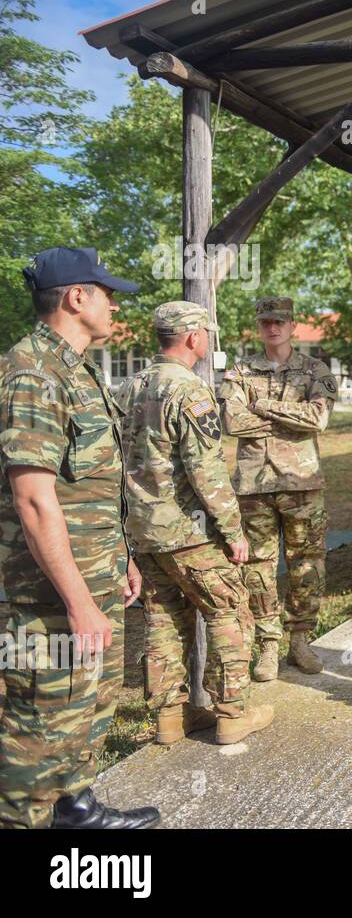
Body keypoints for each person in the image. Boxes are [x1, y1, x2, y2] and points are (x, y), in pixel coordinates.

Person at [0, 247, 158, 829]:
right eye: (107, 292)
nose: (114, 304)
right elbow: (34, 500)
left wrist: (119, 561)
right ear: (76, 297)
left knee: (85, 714)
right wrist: (78, 601)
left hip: (92, 579)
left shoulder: (78, 369)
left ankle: (78, 813)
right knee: (37, 739)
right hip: (45, 601)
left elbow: (86, 485)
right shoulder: (33, 374)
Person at [119, 302, 274, 747]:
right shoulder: (190, 391)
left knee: (163, 618)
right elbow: (206, 471)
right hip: (190, 532)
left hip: (145, 534)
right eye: (206, 331)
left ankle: (170, 718)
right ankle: (231, 716)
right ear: (192, 337)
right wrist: (234, 531)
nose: (208, 339)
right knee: (228, 611)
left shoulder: (129, 386)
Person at [218, 297, 337, 681]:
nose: (273, 328)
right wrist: (289, 418)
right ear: (258, 325)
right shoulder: (240, 371)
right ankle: (268, 646)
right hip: (254, 486)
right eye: (266, 321)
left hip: (302, 484)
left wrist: (263, 406)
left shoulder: (315, 369)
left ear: (293, 325)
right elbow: (231, 422)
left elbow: (318, 418)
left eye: (280, 321)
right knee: (257, 568)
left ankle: (299, 641)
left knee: (307, 566)